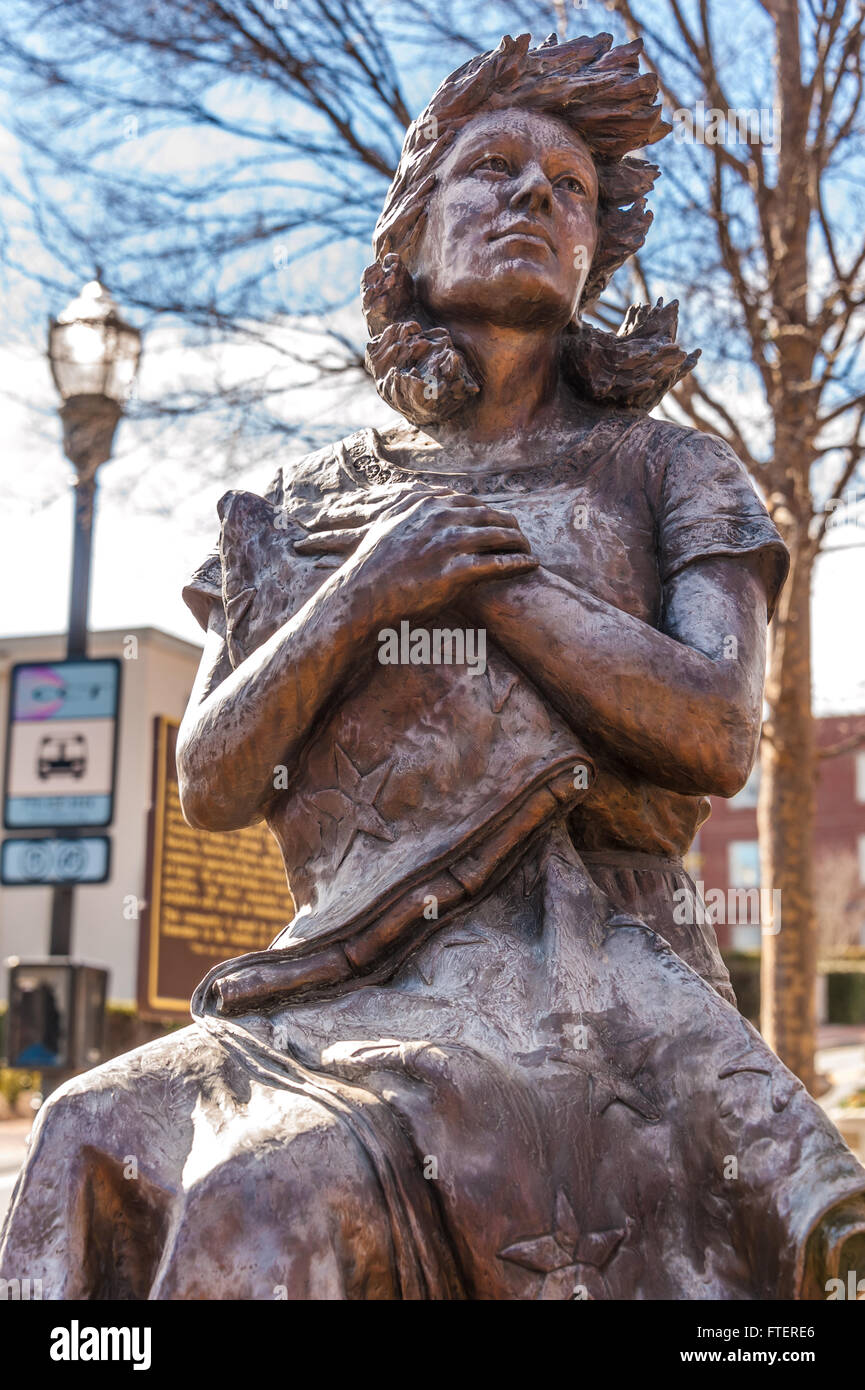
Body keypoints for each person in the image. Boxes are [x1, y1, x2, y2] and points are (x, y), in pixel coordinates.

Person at [2, 31, 863, 1301]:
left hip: (582, 990)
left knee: (269, 1189)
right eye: (492, 170)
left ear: (591, 259)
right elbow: (217, 781)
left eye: (567, 191)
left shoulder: (670, 472)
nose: (532, 196)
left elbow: (714, 734)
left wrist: (493, 579)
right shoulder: (299, 508)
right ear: (407, 239)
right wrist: (369, 588)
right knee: (81, 1129)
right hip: (332, 981)